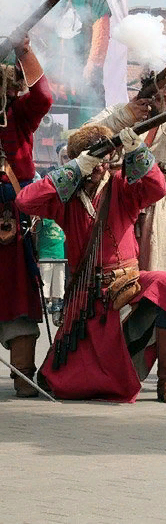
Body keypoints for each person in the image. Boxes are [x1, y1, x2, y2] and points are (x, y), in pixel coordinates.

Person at [17, 124, 166, 402]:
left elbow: (157, 188)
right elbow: (25, 201)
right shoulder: (67, 195)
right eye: (93, 158)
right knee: (65, 383)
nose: (100, 165)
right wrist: (76, 167)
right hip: (87, 294)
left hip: (128, 282)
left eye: (103, 156)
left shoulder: (122, 184)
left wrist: (138, 149)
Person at [88, 62, 166, 396]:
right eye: (155, 91)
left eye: (165, 91)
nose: (160, 98)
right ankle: (127, 363)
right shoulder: (125, 112)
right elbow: (83, 142)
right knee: (132, 290)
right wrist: (128, 114)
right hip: (126, 208)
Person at [0, 40, 51, 397]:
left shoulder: (17, 113)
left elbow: (43, 97)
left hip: (8, 216)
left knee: (17, 295)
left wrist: (23, 51)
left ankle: (23, 374)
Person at [46, 0, 111, 125]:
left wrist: (92, 65)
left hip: (83, 64)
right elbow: (42, 24)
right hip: (57, 67)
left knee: (87, 113)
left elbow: (101, 29)